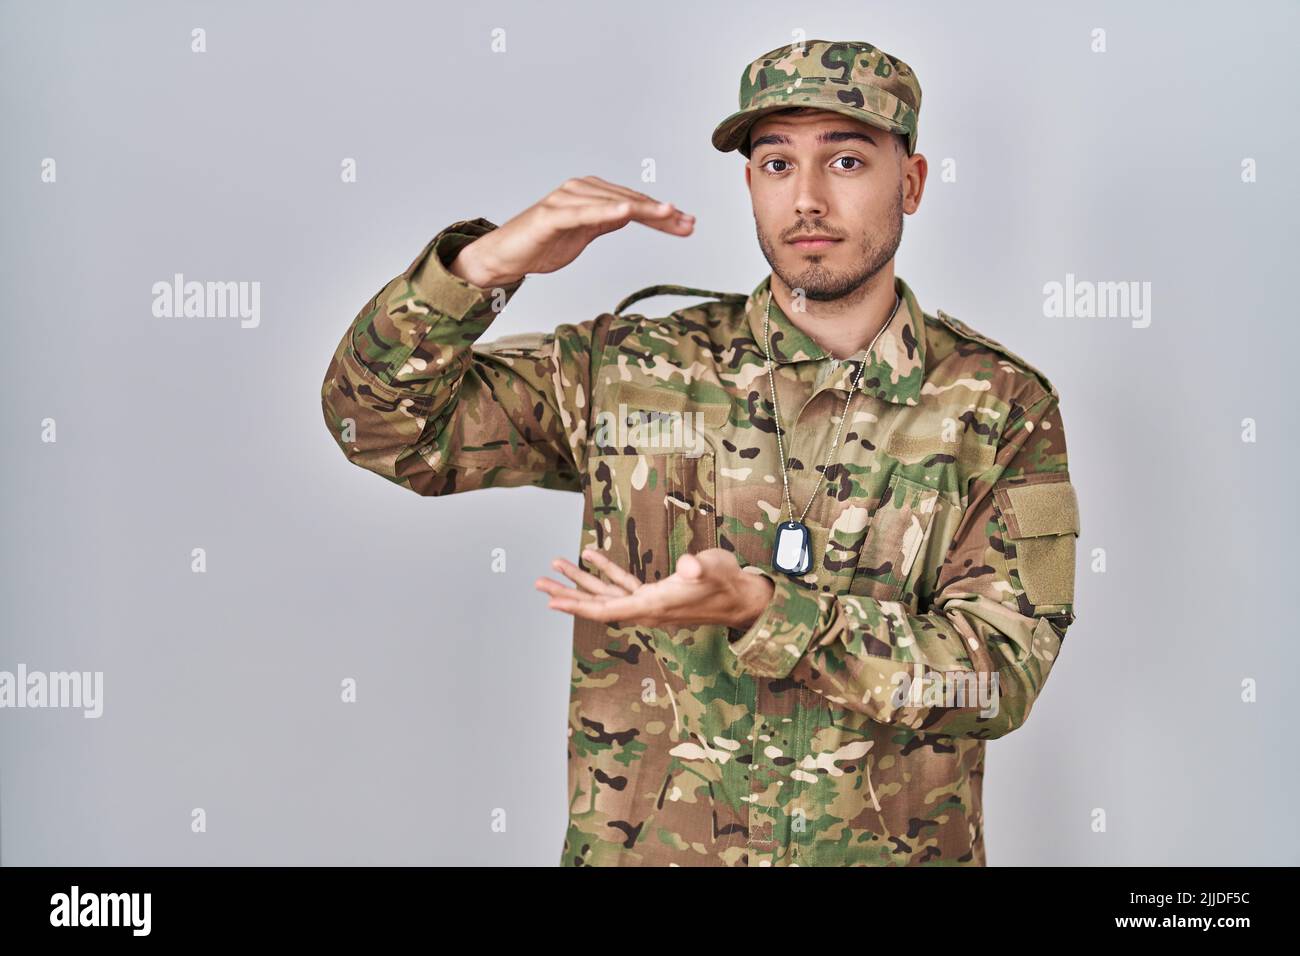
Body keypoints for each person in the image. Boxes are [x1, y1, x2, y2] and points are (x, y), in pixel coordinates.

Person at [320, 38, 1081, 866]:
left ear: (912, 182)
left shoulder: (999, 404)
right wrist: (483, 269)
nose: (809, 200)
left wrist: (771, 613)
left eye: (848, 160)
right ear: (750, 182)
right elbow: (381, 428)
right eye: (776, 164)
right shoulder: (635, 370)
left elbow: (997, 678)